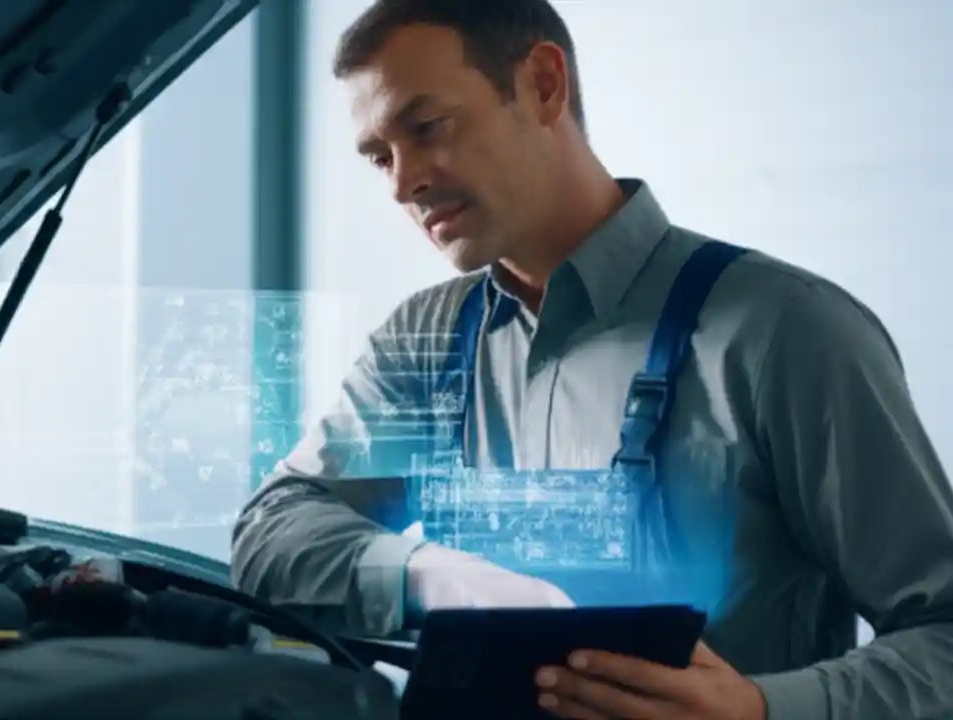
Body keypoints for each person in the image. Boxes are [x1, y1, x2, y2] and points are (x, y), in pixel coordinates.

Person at [230, 0, 953, 718]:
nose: (401, 183)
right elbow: (273, 528)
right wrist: (430, 576)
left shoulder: (782, 331)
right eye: (379, 156)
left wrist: (762, 709)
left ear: (544, 85)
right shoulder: (424, 342)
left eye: (428, 127)